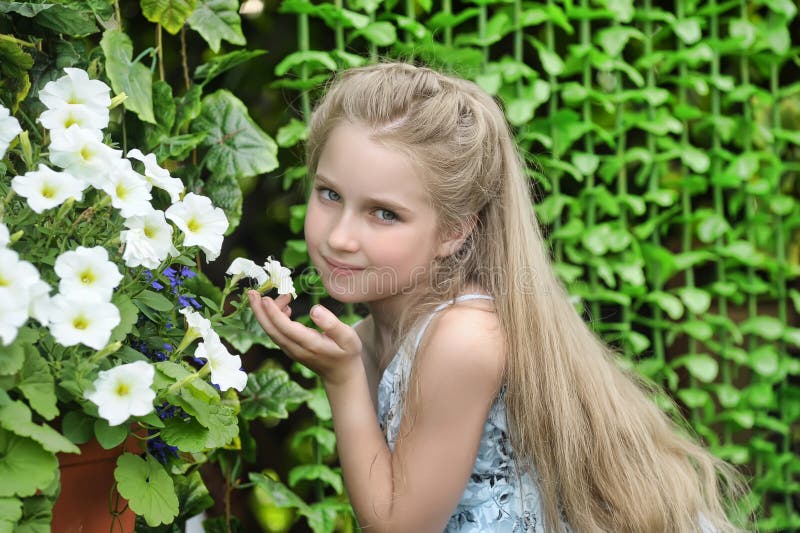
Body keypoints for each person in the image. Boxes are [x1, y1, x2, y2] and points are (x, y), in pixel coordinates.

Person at [248, 61, 748, 532]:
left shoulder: (463, 338)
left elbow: (400, 524)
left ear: (454, 232)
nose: (340, 237)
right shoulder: (381, 332)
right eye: (330, 194)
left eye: (384, 213)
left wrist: (342, 378)